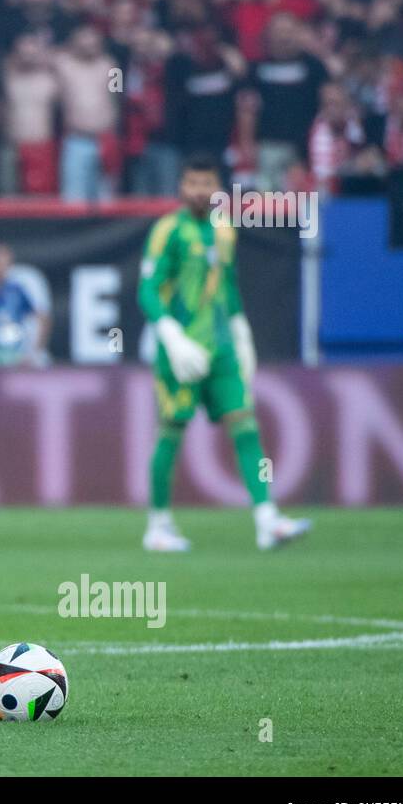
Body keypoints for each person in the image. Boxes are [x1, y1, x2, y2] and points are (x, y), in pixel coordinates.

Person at [137, 154, 311, 552]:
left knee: (246, 425)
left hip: (221, 349)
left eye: (207, 183)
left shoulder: (224, 229)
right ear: (181, 187)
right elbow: (147, 290)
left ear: (218, 187)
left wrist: (241, 330)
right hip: (179, 352)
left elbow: (228, 286)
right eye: (192, 182)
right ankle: (158, 525)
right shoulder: (169, 231)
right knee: (171, 430)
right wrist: (170, 335)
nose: (199, 191)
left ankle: (267, 520)